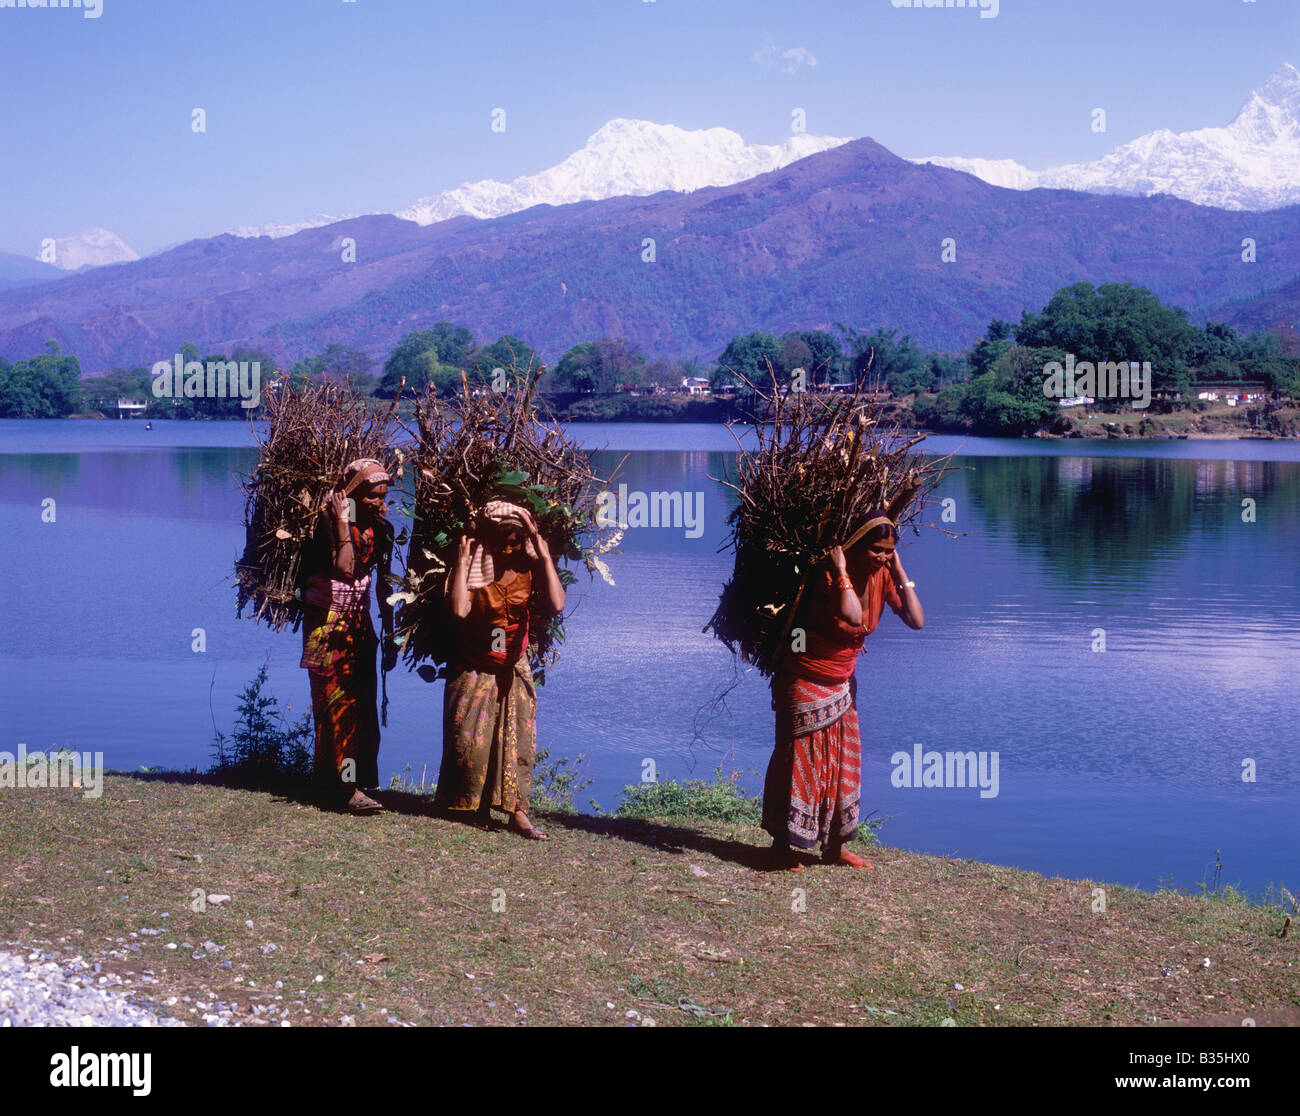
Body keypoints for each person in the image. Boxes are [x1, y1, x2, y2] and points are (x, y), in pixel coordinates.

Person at [762, 509, 924, 870]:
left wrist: (899, 572)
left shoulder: (884, 575)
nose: (882, 557)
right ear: (856, 545)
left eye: (888, 550)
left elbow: (917, 620)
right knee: (798, 761)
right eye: (876, 550)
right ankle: (781, 847)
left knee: (841, 763)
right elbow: (853, 617)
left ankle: (836, 847)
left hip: (842, 684)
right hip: (804, 676)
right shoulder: (826, 574)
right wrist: (840, 571)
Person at [437, 500, 566, 840]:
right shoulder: (476, 564)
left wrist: (545, 554)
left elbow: (556, 604)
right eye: (501, 541)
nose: (508, 548)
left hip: (513, 662)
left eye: (515, 541)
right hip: (476, 662)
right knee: (471, 742)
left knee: (517, 741)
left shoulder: (528, 563)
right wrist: (463, 562)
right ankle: (472, 804)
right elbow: (461, 610)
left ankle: (517, 812)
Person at [298, 458, 396, 815]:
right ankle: (340, 787)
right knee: (334, 704)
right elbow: (344, 570)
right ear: (351, 495)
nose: (379, 504)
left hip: (360, 625)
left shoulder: (381, 531)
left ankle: (352, 781)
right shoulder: (326, 521)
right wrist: (341, 522)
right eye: (371, 497)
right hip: (326, 626)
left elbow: (384, 584)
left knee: (360, 704)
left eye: (383, 496)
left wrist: (391, 631)